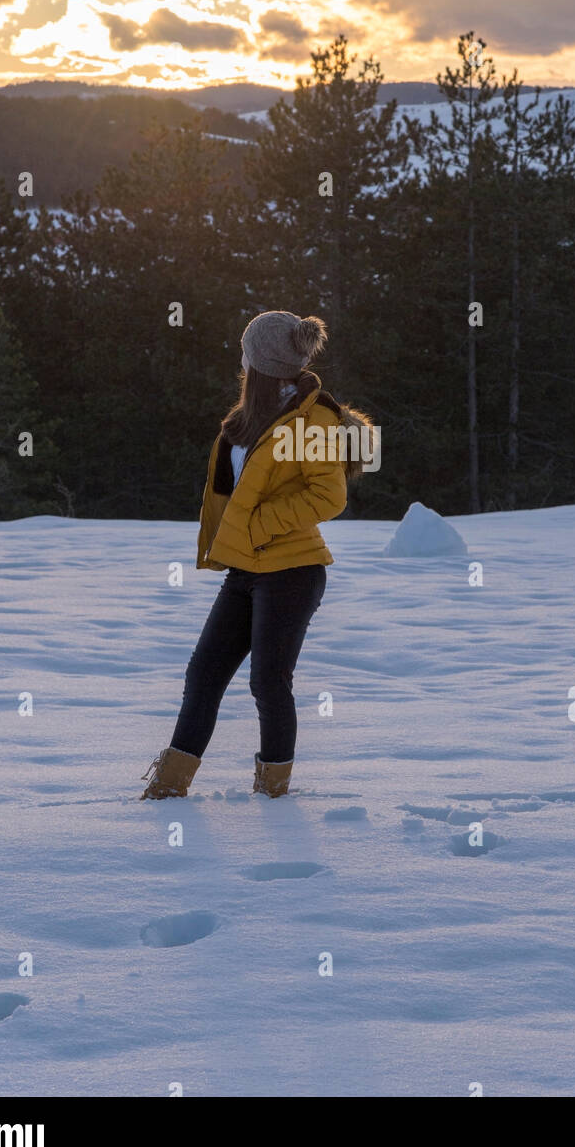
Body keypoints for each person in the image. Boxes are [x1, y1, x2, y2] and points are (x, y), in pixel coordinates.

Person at [140, 310, 372, 800]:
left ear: (260, 363)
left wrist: (258, 526)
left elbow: (329, 496)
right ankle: (168, 788)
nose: (240, 362)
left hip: (293, 570)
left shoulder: (311, 420)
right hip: (246, 570)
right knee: (204, 674)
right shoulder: (248, 419)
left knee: (268, 682)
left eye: (245, 353)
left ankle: (273, 795)